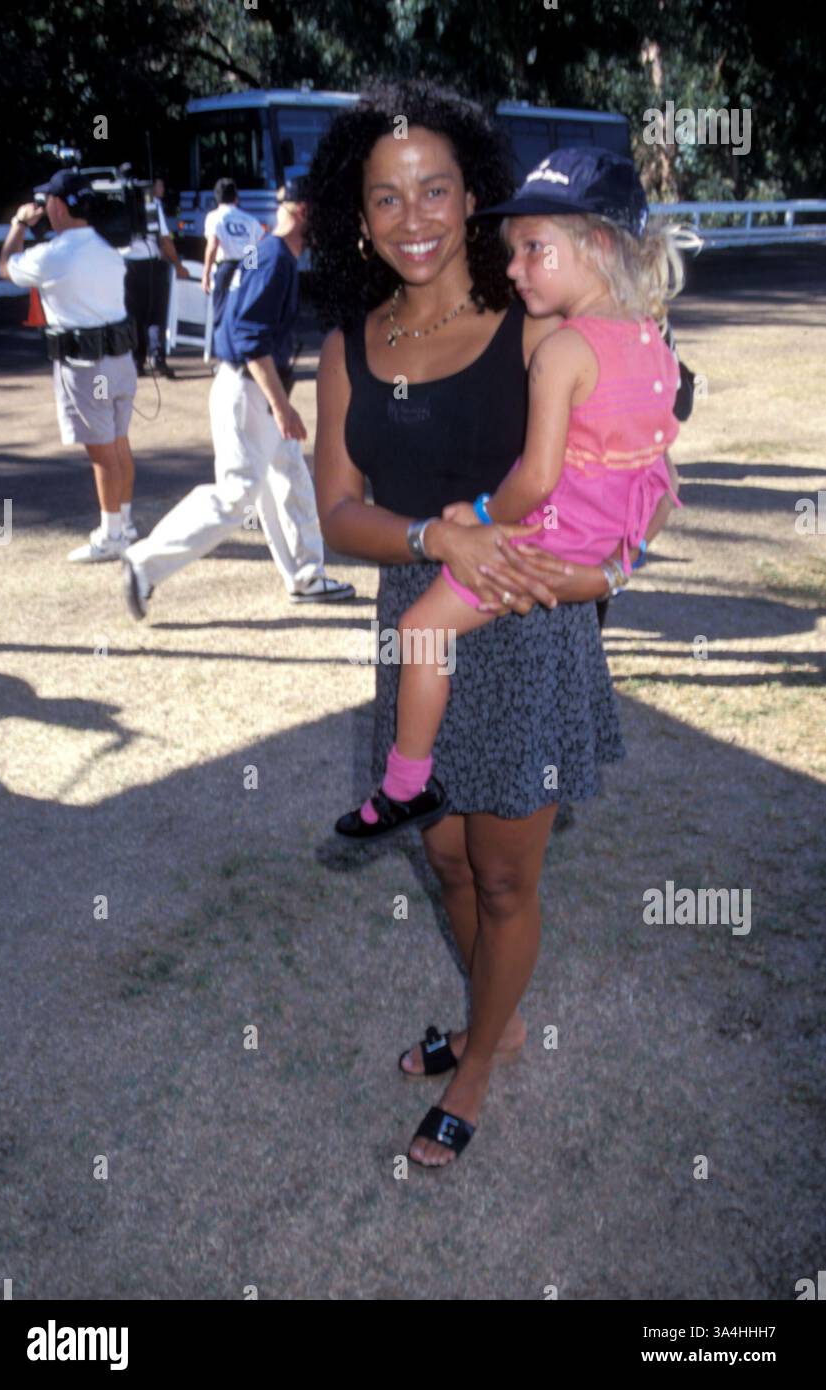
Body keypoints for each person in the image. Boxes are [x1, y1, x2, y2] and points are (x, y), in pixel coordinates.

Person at [308, 81, 681, 1169]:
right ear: (356, 214)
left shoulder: (540, 320)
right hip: (423, 612)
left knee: (508, 873)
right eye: (386, 197)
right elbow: (338, 515)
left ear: (474, 193)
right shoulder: (347, 347)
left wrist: (580, 579)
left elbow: (630, 474)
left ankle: (477, 1058)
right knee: (450, 862)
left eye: (436, 188)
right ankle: (495, 1016)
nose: (414, 216)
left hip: (523, 616)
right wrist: (438, 539)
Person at [336, 147, 685, 838]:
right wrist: (616, 567)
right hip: (588, 555)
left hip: (532, 544)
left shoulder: (563, 351)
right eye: (510, 251)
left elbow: (535, 477)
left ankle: (407, 782)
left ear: (598, 245)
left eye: (531, 249)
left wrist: (479, 516)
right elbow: (666, 483)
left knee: (419, 631)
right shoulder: (653, 341)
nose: (514, 267)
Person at [121, 176, 355, 619]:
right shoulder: (275, 260)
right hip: (249, 391)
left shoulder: (264, 252)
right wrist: (281, 406)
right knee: (237, 495)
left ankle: (307, 574)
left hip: (247, 387)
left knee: (290, 478)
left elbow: (233, 321)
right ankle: (143, 563)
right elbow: (249, 337)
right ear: (304, 211)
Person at [0, 169, 139, 562]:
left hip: (86, 365)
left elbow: (6, 267)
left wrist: (18, 224)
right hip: (120, 359)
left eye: (47, 203)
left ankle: (111, 534)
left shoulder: (53, 256)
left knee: (102, 452)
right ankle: (124, 524)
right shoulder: (108, 243)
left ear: (58, 206)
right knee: (120, 443)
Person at [121, 177, 189, 378]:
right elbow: (165, 240)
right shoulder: (152, 205)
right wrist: (177, 264)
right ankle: (158, 357)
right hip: (150, 263)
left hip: (124, 264)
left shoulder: (116, 203)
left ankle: (137, 361)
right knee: (155, 313)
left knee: (133, 315)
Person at [201, 177, 265, 334]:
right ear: (236, 198)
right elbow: (259, 242)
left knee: (221, 311)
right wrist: (252, 267)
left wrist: (206, 274)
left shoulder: (214, 217)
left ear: (216, 197)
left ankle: (223, 347)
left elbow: (213, 245)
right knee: (247, 309)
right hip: (248, 267)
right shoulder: (250, 220)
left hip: (226, 267)